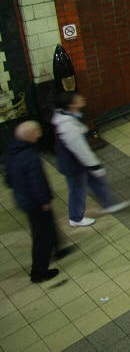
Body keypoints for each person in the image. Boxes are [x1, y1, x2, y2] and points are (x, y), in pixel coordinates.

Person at [4, 121, 77, 283]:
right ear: (29, 135)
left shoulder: (11, 151)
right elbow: (37, 182)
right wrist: (44, 201)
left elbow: (8, 179)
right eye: (37, 130)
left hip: (24, 199)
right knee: (41, 235)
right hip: (35, 202)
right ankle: (38, 272)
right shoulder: (30, 156)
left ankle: (58, 249)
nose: (39, 132)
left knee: (49, 225)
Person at [52, 92, 130, 227]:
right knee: (78, 189)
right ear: (71, 105)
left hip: (76, 162)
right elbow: (81, 150)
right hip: (74, 164)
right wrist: (94, 166)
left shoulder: (67, 117)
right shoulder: (68, 126)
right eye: (78, 99)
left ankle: (109, 204)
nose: (82, 98)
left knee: (95, 181)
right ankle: (76, 218)